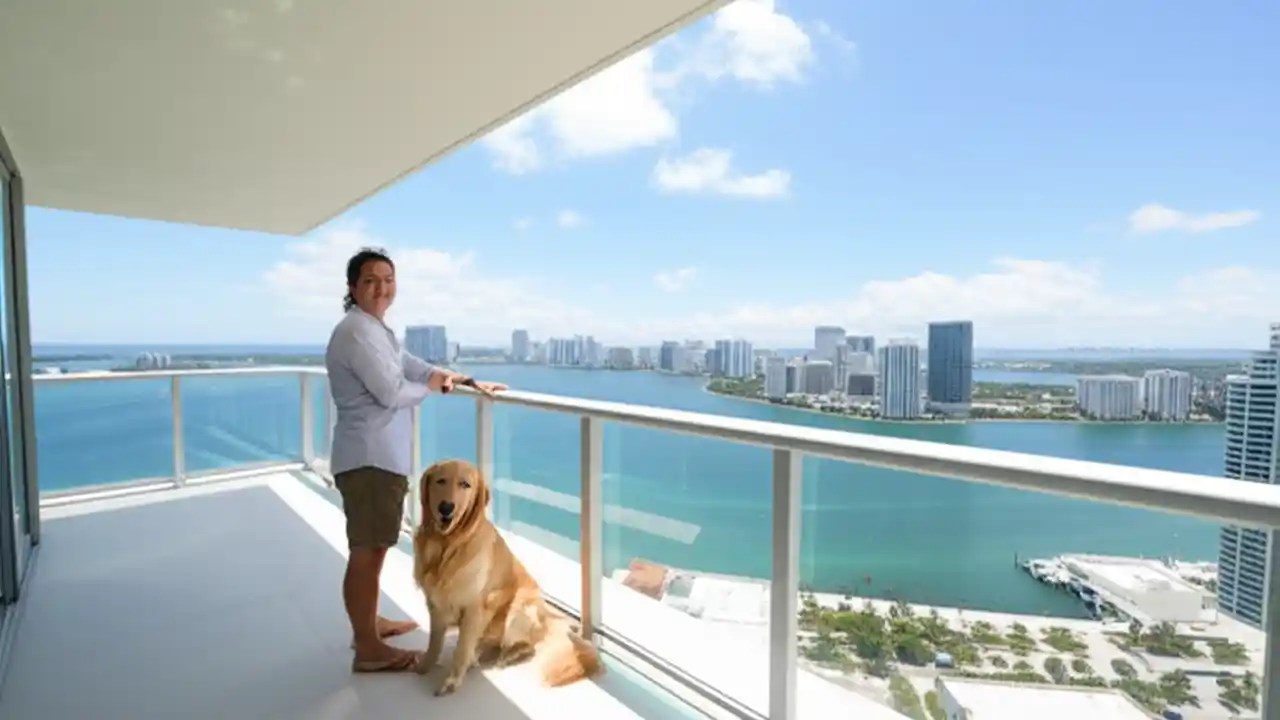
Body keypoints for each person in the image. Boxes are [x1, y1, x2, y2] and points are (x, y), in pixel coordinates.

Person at [325, 246, 507, 672]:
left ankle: (369, 624)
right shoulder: (355, 331)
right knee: (367, 554)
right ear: (353, 287)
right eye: (370, 280)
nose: (381, 287)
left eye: (388, 279)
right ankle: (367, 647)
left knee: (376, 549)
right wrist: (434, 388)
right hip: (369, 460)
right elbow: (391, 391)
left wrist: (459, 377)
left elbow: (409, 364)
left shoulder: (376, 329)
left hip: (378, 459)